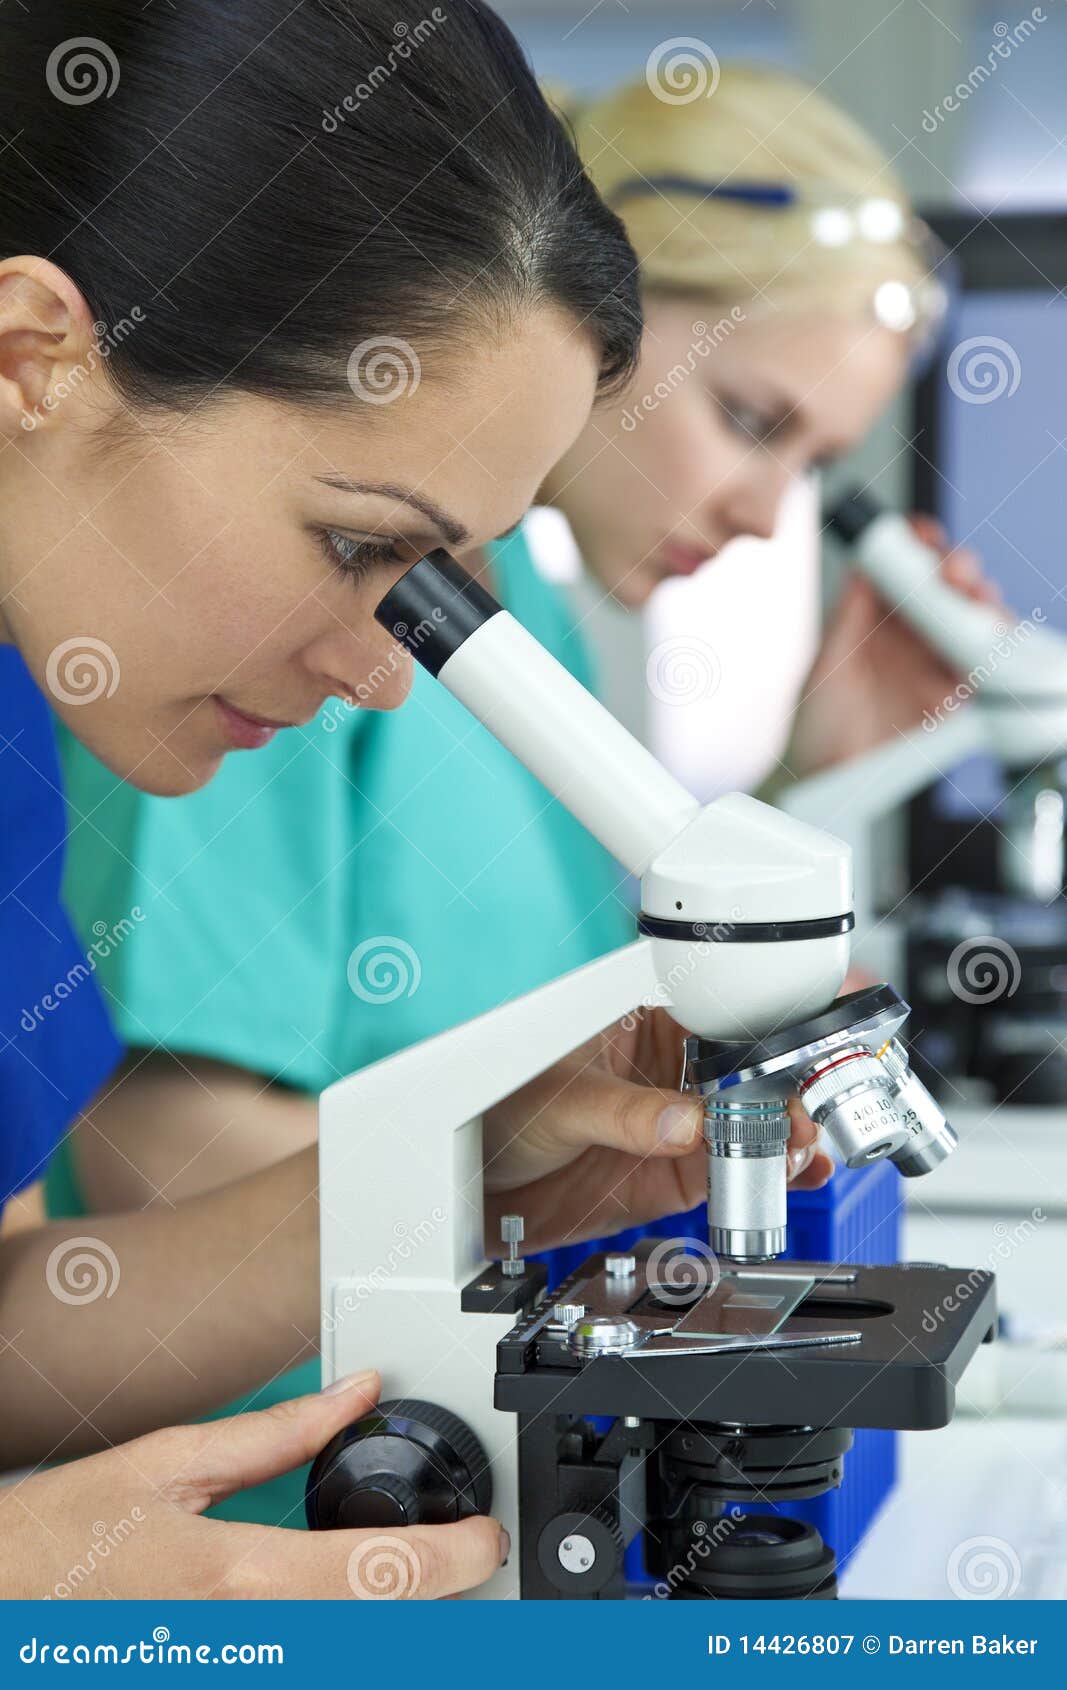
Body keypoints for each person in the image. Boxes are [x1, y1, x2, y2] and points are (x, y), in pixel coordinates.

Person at [61, 64, 971, 1533]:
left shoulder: (524, 618)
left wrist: (823, 766)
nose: (761, 509)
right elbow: (158, 1164)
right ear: (601, 303)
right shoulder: (298, 635)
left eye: (810, 462)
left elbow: (557, 1000)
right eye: (750, 417)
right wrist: (515, 1226)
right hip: (279, 1491)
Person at [0, 0, 759, 1600]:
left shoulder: (28, 733)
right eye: (357, 547)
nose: (384, 671)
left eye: (432, 581)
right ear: (37, 360)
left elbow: (12, 1321)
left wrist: (452, 1163)